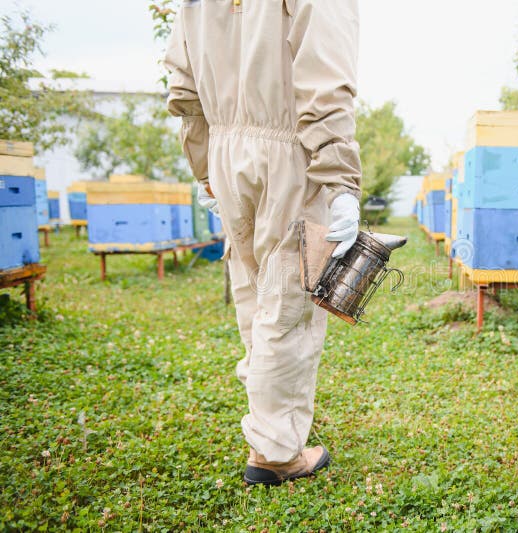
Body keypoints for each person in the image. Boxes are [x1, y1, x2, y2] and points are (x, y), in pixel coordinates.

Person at [164, 0, 362, 486]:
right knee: (288, 301)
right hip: (289, 152)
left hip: (227, 152)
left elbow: (183, 87)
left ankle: (268, 430)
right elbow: (325, 77)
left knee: (255, 294)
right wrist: (340, 181)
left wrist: (206, 165)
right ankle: (276, 452)